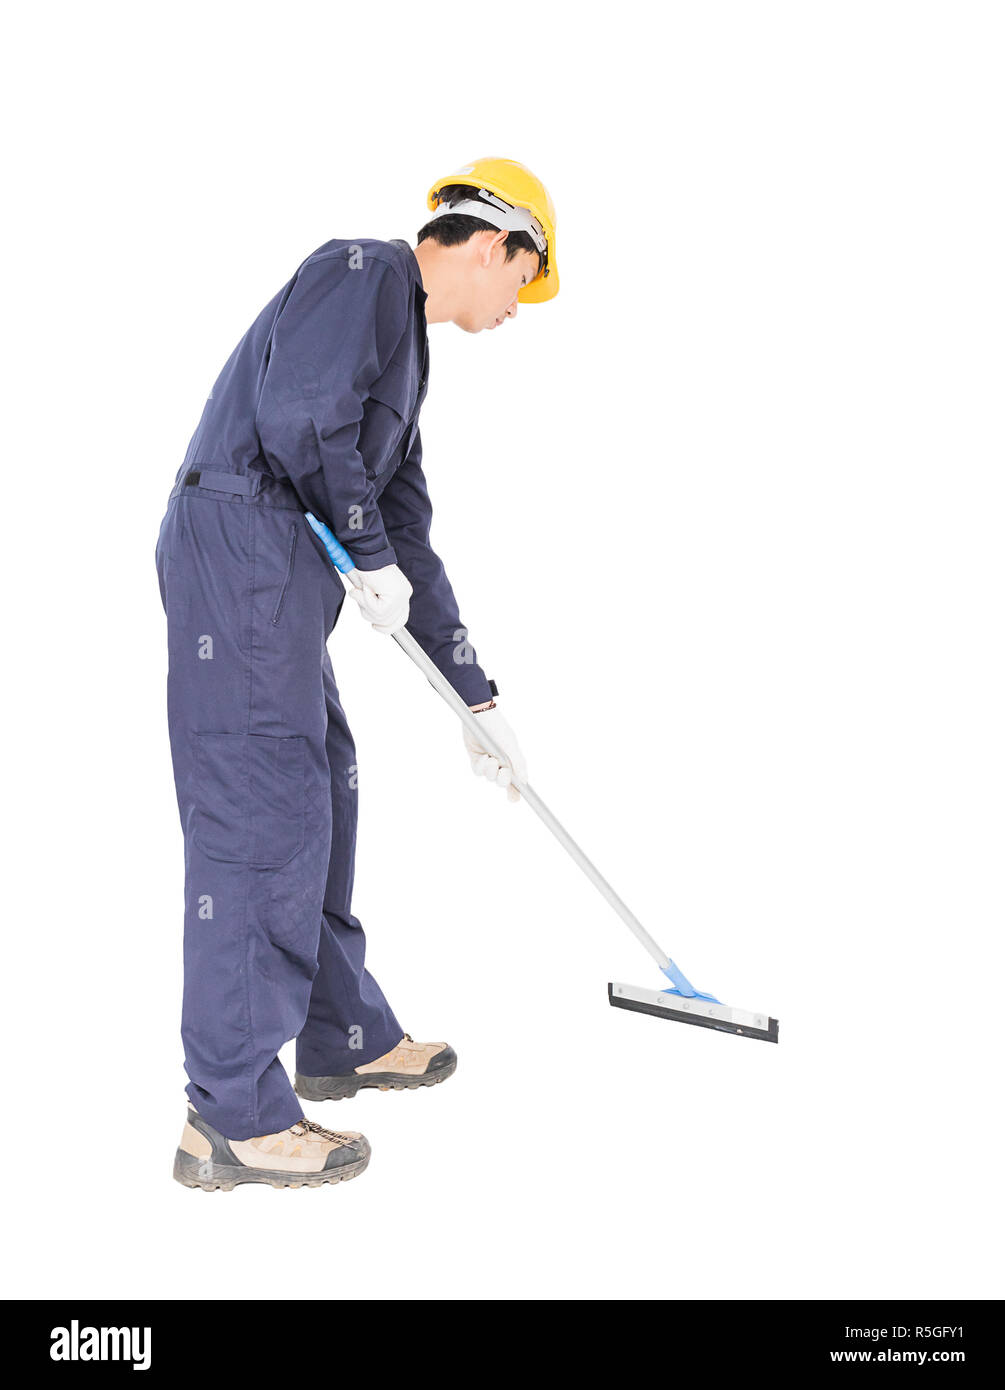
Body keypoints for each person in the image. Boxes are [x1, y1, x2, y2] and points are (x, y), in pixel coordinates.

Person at [157, 158, 558, 1191]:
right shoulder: (366, 273)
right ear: (488, 245)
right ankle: (230, 1115)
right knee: (263, 811)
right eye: (525, 278)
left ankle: (337, 1034)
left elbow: (406, 535)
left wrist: (476, 697)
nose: (520, 304)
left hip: (278, 572)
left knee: (321, 786)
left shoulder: (403, 356)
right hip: (241, 546)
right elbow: (298, 416)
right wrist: (363, 549)